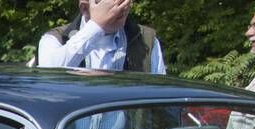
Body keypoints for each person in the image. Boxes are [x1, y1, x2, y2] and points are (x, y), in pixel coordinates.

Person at [38, 0, 166, 74]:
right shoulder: (55, 39)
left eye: (123, 3)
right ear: (84, 8)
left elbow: (161, 101)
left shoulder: (146, 40)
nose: (120, 7)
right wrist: (96, 27)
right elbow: (48, 76)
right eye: (111, 4)